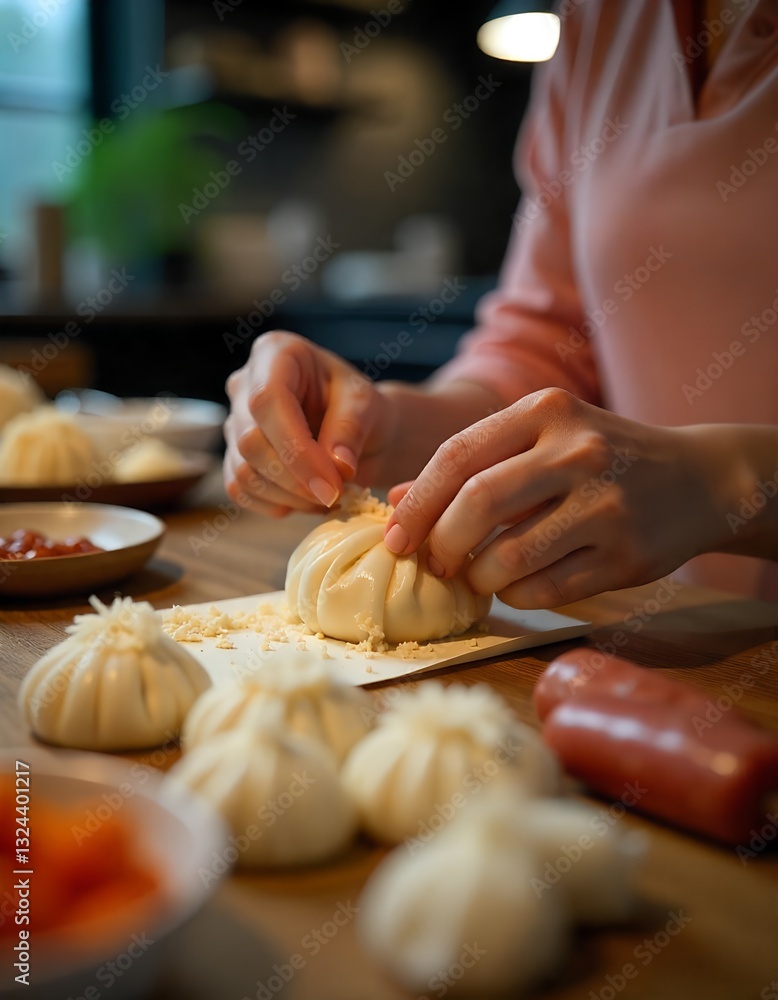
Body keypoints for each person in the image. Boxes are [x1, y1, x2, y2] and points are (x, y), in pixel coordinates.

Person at [224, 0, 778, 607]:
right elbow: (544, 342)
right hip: (673, 636)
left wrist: (727, 482)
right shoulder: (602, 18)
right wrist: (384, 426)